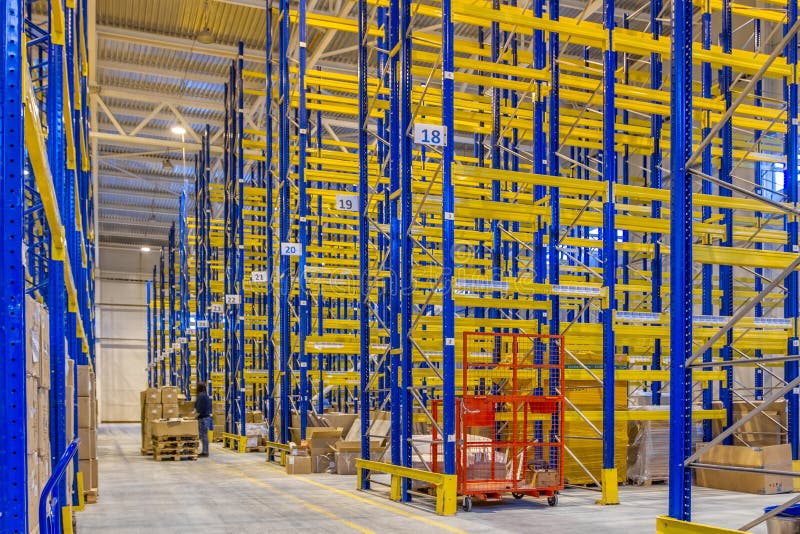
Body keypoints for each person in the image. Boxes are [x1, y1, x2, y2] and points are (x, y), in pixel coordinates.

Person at [194, 382, 212, 457]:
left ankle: (205, 452)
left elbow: (199, 409)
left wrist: (193, 418)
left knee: (203, 435)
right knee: (204, 435)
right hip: (205, 418)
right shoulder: (205, 395)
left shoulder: (201, 396)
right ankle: (205, 451)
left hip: (203, 419)